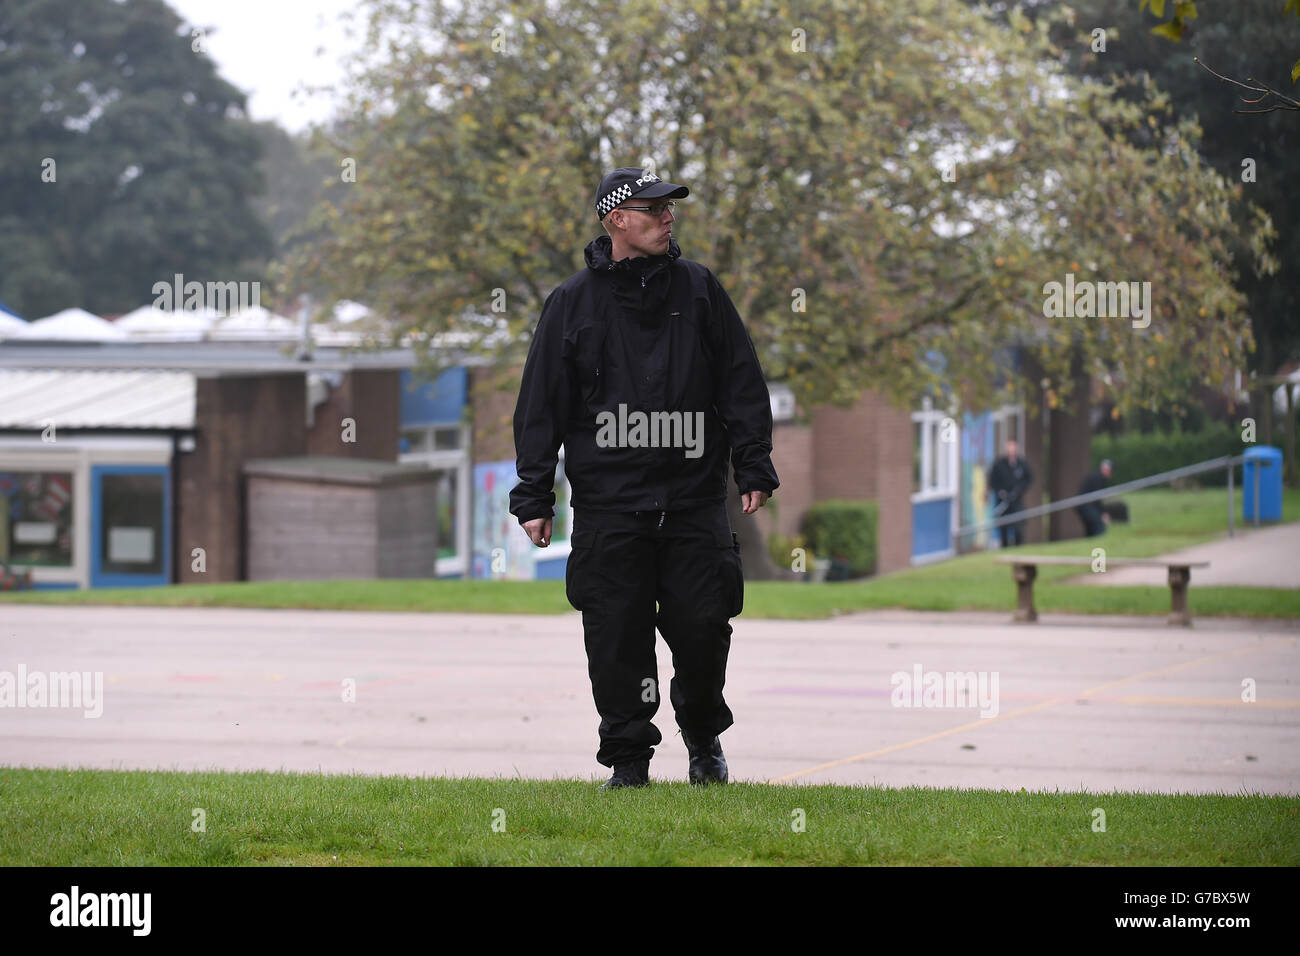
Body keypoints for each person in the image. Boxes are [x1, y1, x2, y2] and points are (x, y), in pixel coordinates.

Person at [509, 166, 780, 790]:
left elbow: (741, 382)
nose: (667, 217)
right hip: (611, 507)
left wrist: (753, 462)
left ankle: (703, 738)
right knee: (616, 638)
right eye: (653, 207)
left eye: (670, 207)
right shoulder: (571, 304)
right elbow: (540, 408)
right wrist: (534, 495)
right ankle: (629, 765)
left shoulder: (701, 290)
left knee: (704, 627)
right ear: (616, 220)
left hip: (692, 502)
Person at [987, 438, 1032, 547]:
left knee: (1017, 527)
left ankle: (1018, 548)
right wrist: (1000, 492)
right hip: (1003, 502)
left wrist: (1019, 490)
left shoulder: (1021, 463)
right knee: (1003, 527)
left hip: (1016, 501)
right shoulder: (999, 464)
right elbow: (992, 481)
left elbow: (1028, 478)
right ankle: (1005, 548)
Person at [1076, 459, 1113, 537]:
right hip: (1085, 505)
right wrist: (1103, 513)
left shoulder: (1098, 477)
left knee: (1091, 528)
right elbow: (1097, 498)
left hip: (1084, 505)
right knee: (1098, 526)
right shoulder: (1098, 478)